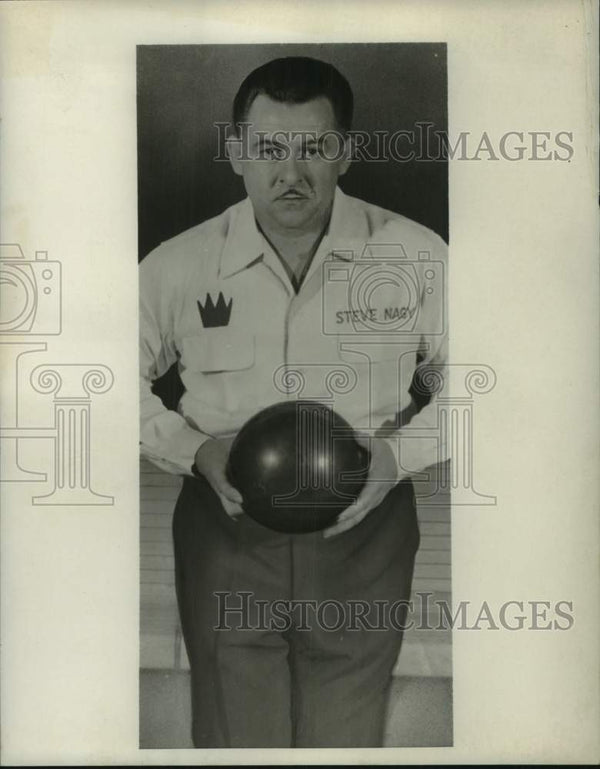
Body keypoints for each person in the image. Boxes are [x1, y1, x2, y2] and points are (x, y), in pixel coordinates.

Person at [139, 56, 448, 748]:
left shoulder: (413, 254)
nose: (291, 172)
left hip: (364, 536)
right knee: (234, 741)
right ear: (236, 154)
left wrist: (401, 454)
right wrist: (195, 450)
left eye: (315, 148)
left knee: (344, 741)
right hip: (228, 533)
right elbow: (94, 376)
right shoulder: (179, 264)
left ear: (347, 153)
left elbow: (493, 379)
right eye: (269, 149)